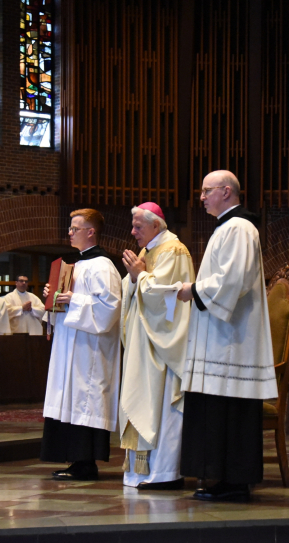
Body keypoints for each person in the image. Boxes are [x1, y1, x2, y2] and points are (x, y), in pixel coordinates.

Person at [176, 170, 276, 502]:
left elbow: (232, 280)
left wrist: (194, 290)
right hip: (221, 337)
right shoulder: (228, 227)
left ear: (225, 191)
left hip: (231, 341)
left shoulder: (239, 228)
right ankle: (221, 477)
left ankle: (233, 480)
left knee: (229, 411)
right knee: (218, 409)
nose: (201, 197)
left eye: (206, 191)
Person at [41, 209, 122, 482]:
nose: (70, 232)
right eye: (70, 227)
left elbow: (110, 309)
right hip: (69, 346)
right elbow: (66, 303)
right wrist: (53, 298)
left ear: (91, 232)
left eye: (75, 228)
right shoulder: (76, 265)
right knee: (69, 398)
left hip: (89, 351)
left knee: (84, 400)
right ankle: (75, 460)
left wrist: (72, 300)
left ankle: (85, 462)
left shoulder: (103, 266)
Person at [118, 202, 194, 490]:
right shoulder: (147, 252)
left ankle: (164, 473)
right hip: (144, 341)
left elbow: (168, 298)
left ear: (156, 225)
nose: (133, 231)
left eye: (138, 226)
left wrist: (140, 276)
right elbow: (136, 290)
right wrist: (135, 278)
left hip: (163, 345)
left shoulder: (174, 250)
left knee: (162, 405)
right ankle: (139, 473)